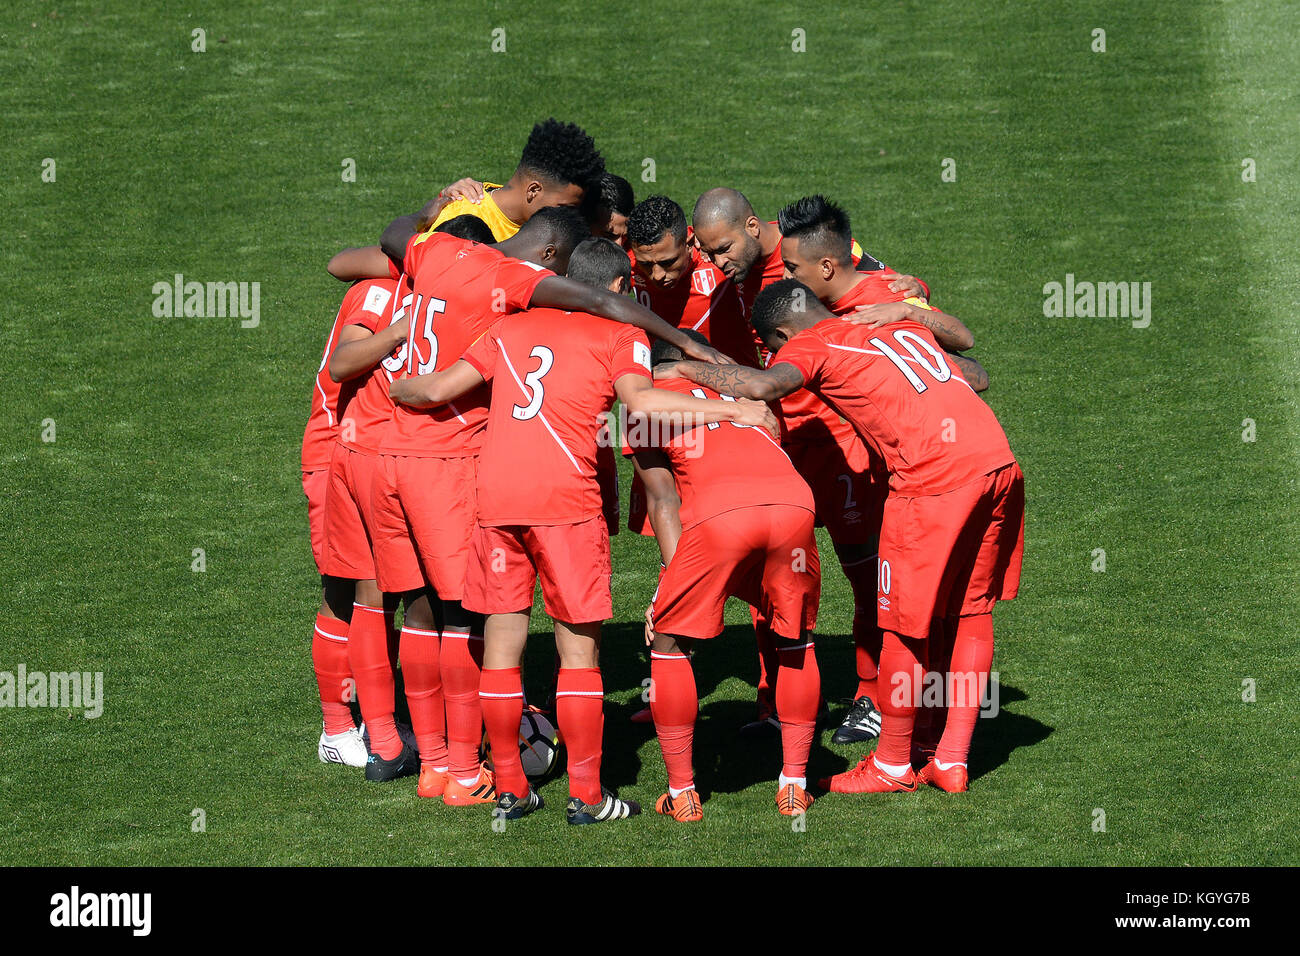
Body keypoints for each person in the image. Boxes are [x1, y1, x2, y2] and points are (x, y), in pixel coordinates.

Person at [390, 237, 778, 822]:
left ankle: (512, 788)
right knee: (579, 652)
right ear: (620, 288)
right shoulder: (620, 336)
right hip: (565, 505)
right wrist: (736, 409)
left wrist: (396, 388)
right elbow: (642, 402)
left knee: (501, 648)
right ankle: (587, 796)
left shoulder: (510, 327)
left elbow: (438, 388)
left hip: (496, 500)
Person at [663, 278, 1024, 794]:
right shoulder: (890, 322)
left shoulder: (809, 344)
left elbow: (765, 387)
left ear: (783, 334)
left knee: (901, 623)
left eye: (771, 346)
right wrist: (908, 309)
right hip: (998, 463)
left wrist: (683, 367)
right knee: (971, 613)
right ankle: (951, 758)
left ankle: (893, 765)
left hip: (932, 481)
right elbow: (973, 367)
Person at [629, 329, 822, 820]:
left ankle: (683, 794)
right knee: (796, 637)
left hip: (722, 514)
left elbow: (664, 500)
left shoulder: (642, 405)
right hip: (795, 503)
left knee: (670, 644)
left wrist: (667, 589)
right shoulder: (741, 390)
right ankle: (795, 783)